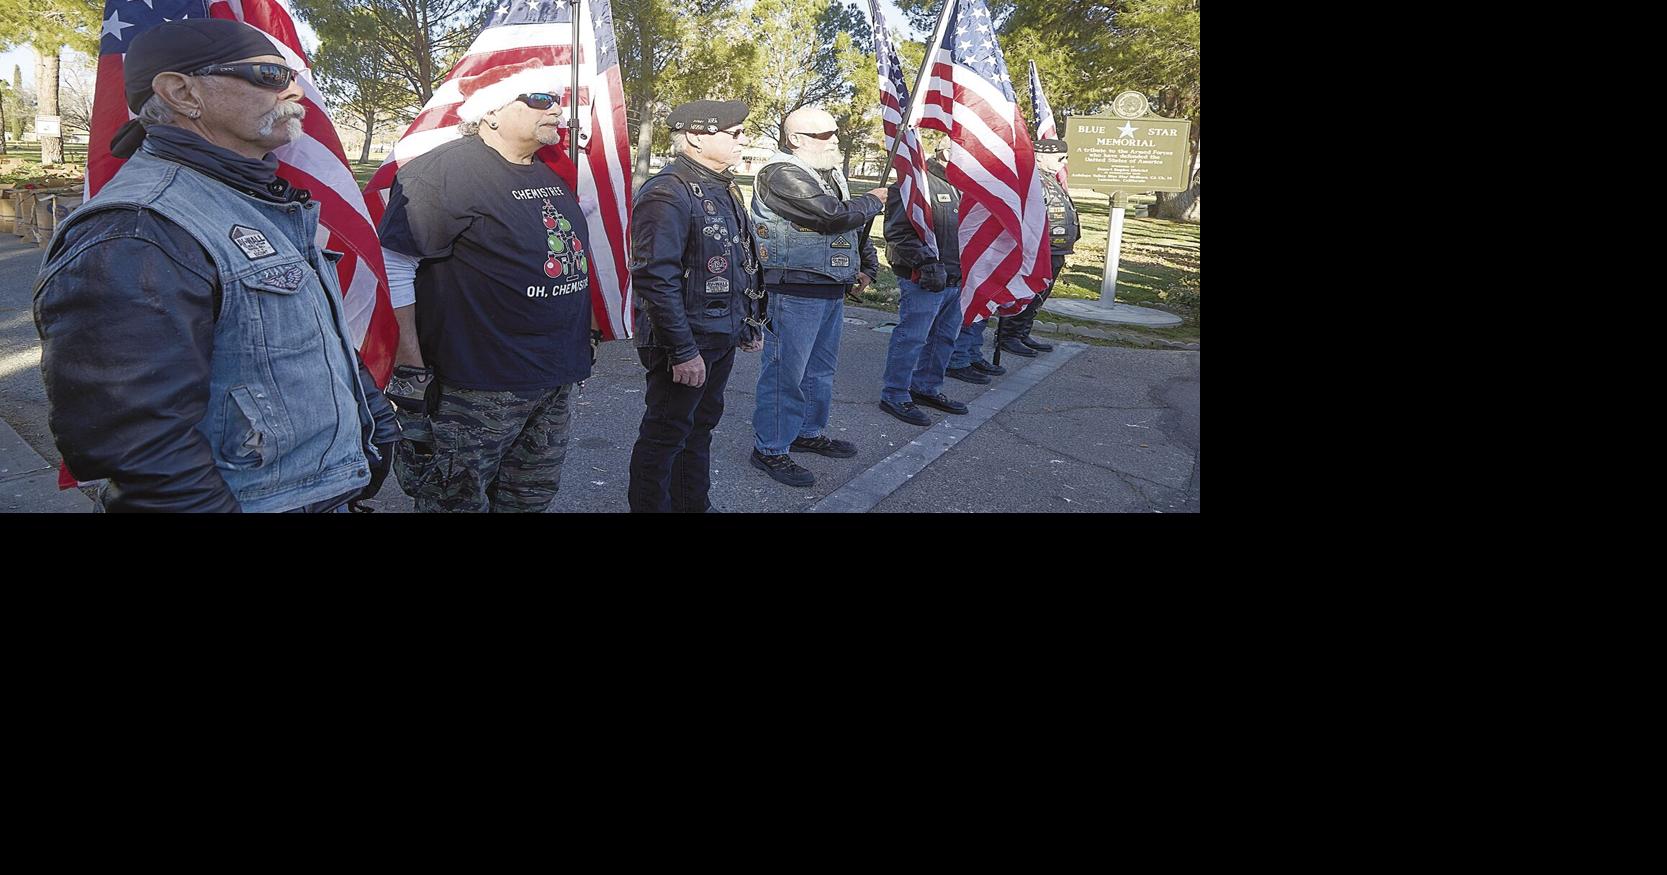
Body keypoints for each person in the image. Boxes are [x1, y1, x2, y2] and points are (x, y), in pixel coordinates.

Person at [33, 18, 397, 513]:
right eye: (270, 74)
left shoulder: (253, 198)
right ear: (182, 93)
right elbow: (141, 446)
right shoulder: (139, 228)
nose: (296, 88)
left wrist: (376, 424)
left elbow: (314, 335)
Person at [376, 58, 594, 513]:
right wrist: (411, 366)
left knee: (528, 499)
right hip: (475, 385)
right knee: (452, 502)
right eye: (538, 99)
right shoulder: (443, 173)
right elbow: (394, 266)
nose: (555, 109)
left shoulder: (548, 171)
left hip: (551, 378)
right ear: (491, 111)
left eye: (556, 100)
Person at [626, 99, 765, 513]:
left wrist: (748, 324)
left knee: (699, 428)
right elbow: (654, 277)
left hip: (718, 333)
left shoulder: (719, 183)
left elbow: (738, 258)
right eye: (734, 134)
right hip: (683, 340)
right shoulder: (667, 191)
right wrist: (683, 350)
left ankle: (692, 506)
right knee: (666, 433)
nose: (744, 140)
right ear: (695, 137)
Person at [748, 106, 888, 487]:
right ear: (796, 139)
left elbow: (849, 229)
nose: (836, 139)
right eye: (826, 134)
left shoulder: (826, 172)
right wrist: (874, 199)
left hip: (828, 288)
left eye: (835, 131)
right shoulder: (780, 173)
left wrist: (865, 266)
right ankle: (771, 449)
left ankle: (807, 432)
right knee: (785, 374)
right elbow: (830, 216)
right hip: (793, 291)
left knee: (818, 373)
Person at [878, 140, 969, 426]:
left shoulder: (966, 186)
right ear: (945, 152)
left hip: (958, 276)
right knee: (913, 337)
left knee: (944, 337)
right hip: (923, 276)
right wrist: (926, 263)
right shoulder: (914, 184)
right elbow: (897, 233)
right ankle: (895, 393)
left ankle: (926, 387)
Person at [995, 138, 1080, 357]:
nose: (1064, 162)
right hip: (1038, 250)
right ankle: (1009, 336)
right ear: (1040, 156)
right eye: (1060, 157)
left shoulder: (1049, 179)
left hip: (1055, 249)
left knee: (1039, 295)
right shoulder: (1032, 181)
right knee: (1027, 291)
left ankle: (1022, 332)